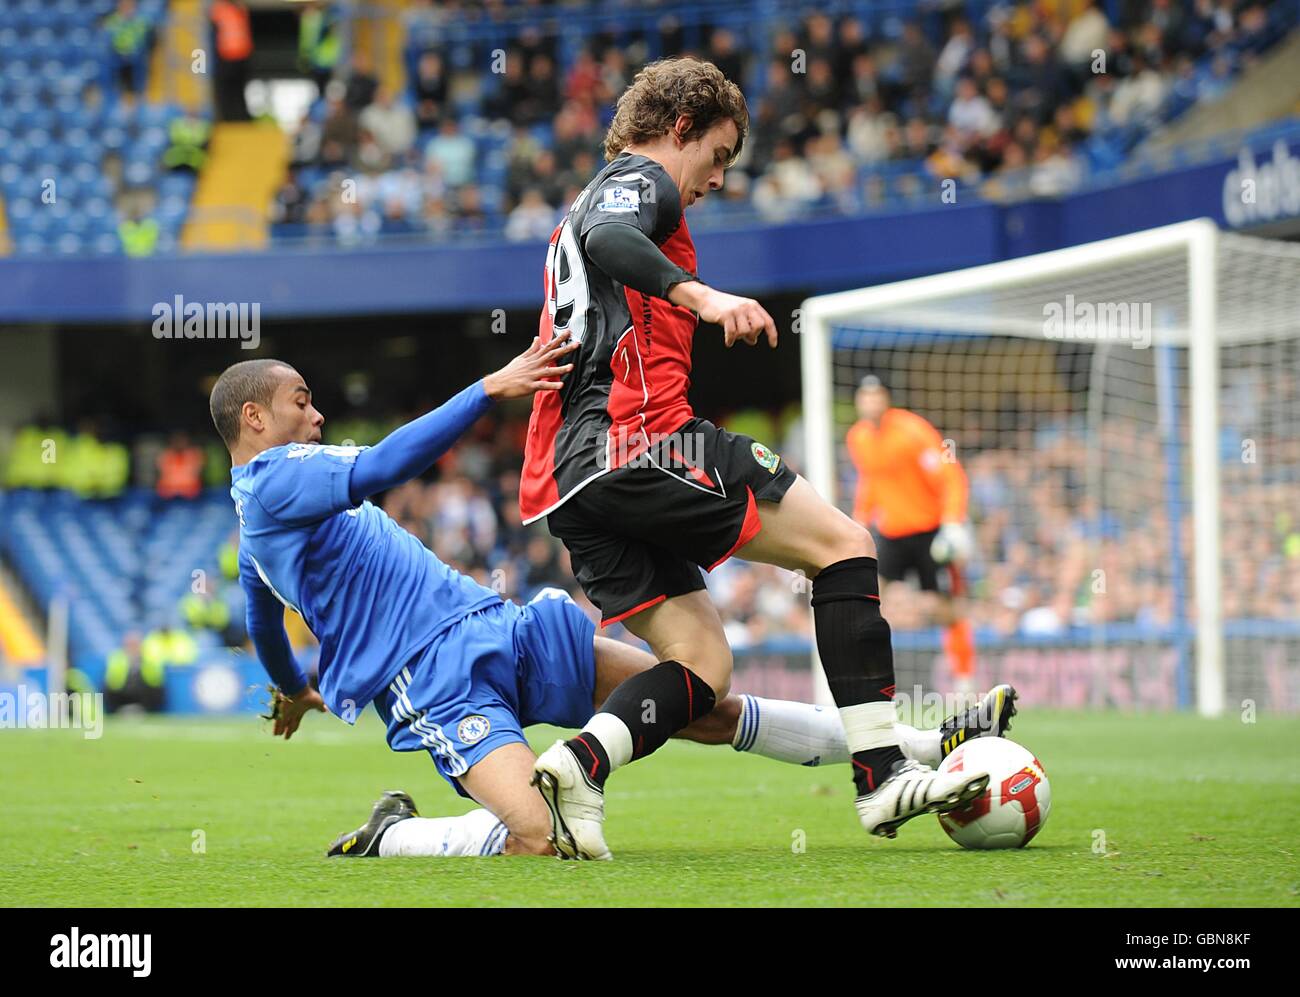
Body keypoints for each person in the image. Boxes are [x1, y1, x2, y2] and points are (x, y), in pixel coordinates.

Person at [210, 344, 1017, 858]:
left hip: (498, 625)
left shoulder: (259, 529)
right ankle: (398, 834)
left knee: (703, 700)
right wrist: (489, 386)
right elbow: (384, 464)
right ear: (254, 417)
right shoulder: (276, 476)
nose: (315, 415)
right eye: (300, 402)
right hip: (433, 678)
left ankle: (916, 746)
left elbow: (258, 615)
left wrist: (292, 687)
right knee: (538, 835)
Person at [519, 57, 988, 860]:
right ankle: (880, 775)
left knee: (701, 663)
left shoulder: (585, 206)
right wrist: (702, 296)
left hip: (567, 480)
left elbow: (596, 248)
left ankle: (579, 763)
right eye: (719, 155)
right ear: (680, 129)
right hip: (639, 439)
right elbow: (612, 234)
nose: (718, 179)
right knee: (843, 546)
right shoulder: (638, 181)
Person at [847, 376, 977, 694]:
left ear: (887, 399)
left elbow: (950, 477)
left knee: (946, 608)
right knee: (866, 597)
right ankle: (863, 677)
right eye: (865, 397)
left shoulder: (913, 431)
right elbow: (870, 481)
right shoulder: (858, 438)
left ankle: (963, 680)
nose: (870, 403)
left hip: (931, 532)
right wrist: (859, 519)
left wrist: (952, 522)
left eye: (876, 396)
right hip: (891, 533)